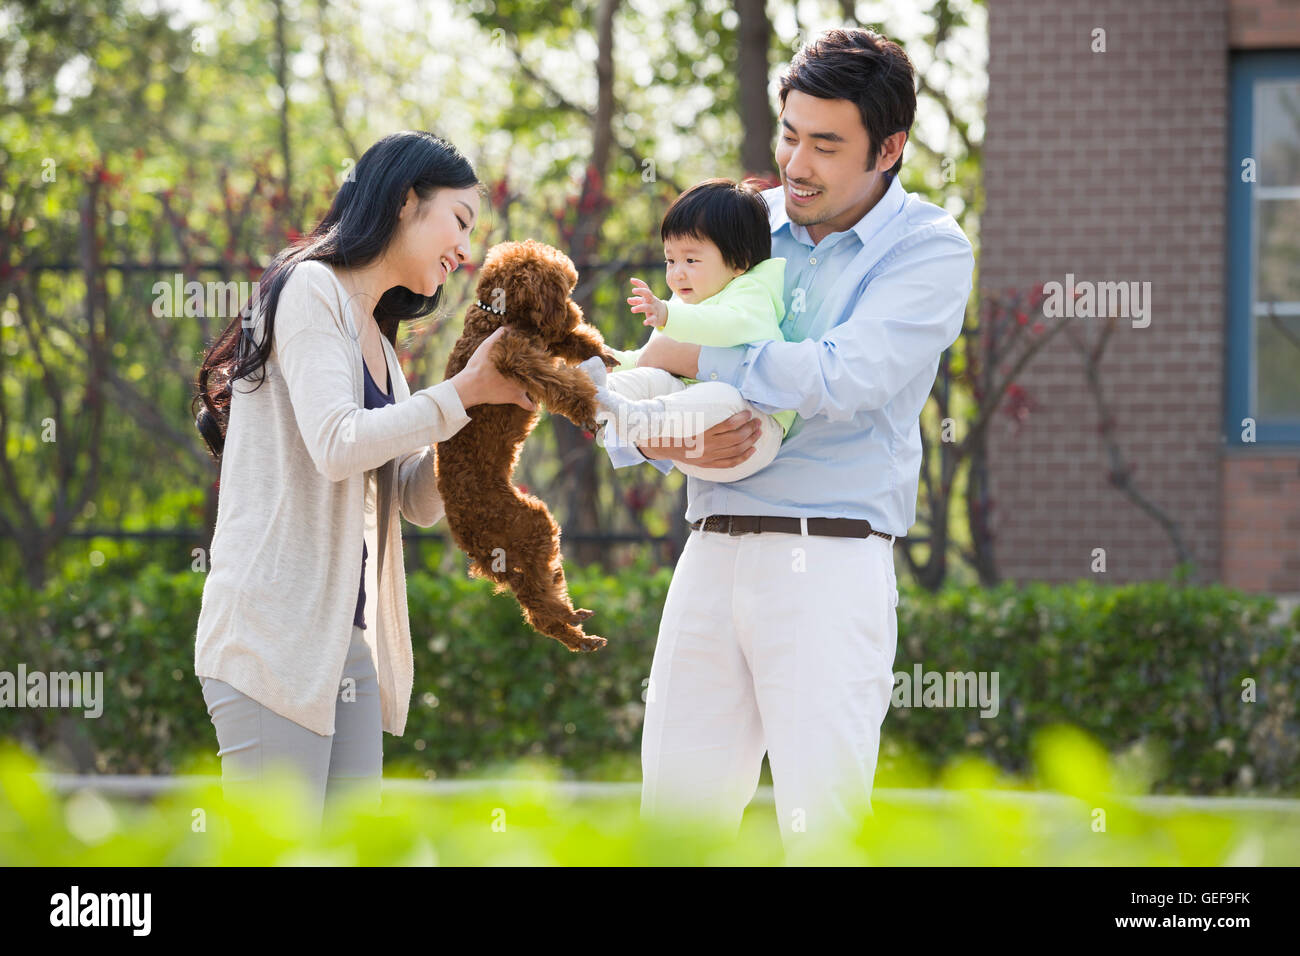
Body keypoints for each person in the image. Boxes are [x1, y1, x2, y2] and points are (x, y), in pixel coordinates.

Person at [599, 29, 975, 853]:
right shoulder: (744, 220)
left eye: (827, 144)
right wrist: (669, 443)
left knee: (824, 833)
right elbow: (654, 372)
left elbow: (845, 376)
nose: (797, 163)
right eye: (790, 134)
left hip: (830, 562)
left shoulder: (929, 249)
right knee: (672, 829)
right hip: (710, 550)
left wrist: (701, 354)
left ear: (891, 148)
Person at [190, 130, 534, 829]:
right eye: (460, 221)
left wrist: (487, 419)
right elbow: (338, 444)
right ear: (407, 200)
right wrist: (463, 394)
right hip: (273, 637)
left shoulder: (380, 344)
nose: (465, 249)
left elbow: (412, 499)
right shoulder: (310, 288)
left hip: (347, 650)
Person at [577, 178, 795, 482]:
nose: (677, 273)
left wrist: (669, 315)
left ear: (740, 261)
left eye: (691, 260)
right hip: (686, 441)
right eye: (670, 260)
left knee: (719, 393)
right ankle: (597, 396)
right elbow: (649, 357)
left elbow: (725, 327)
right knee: (652, 377)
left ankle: (638, 417)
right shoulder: (685, 301)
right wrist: (609, 360)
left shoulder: (752, 293)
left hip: (750, 430)